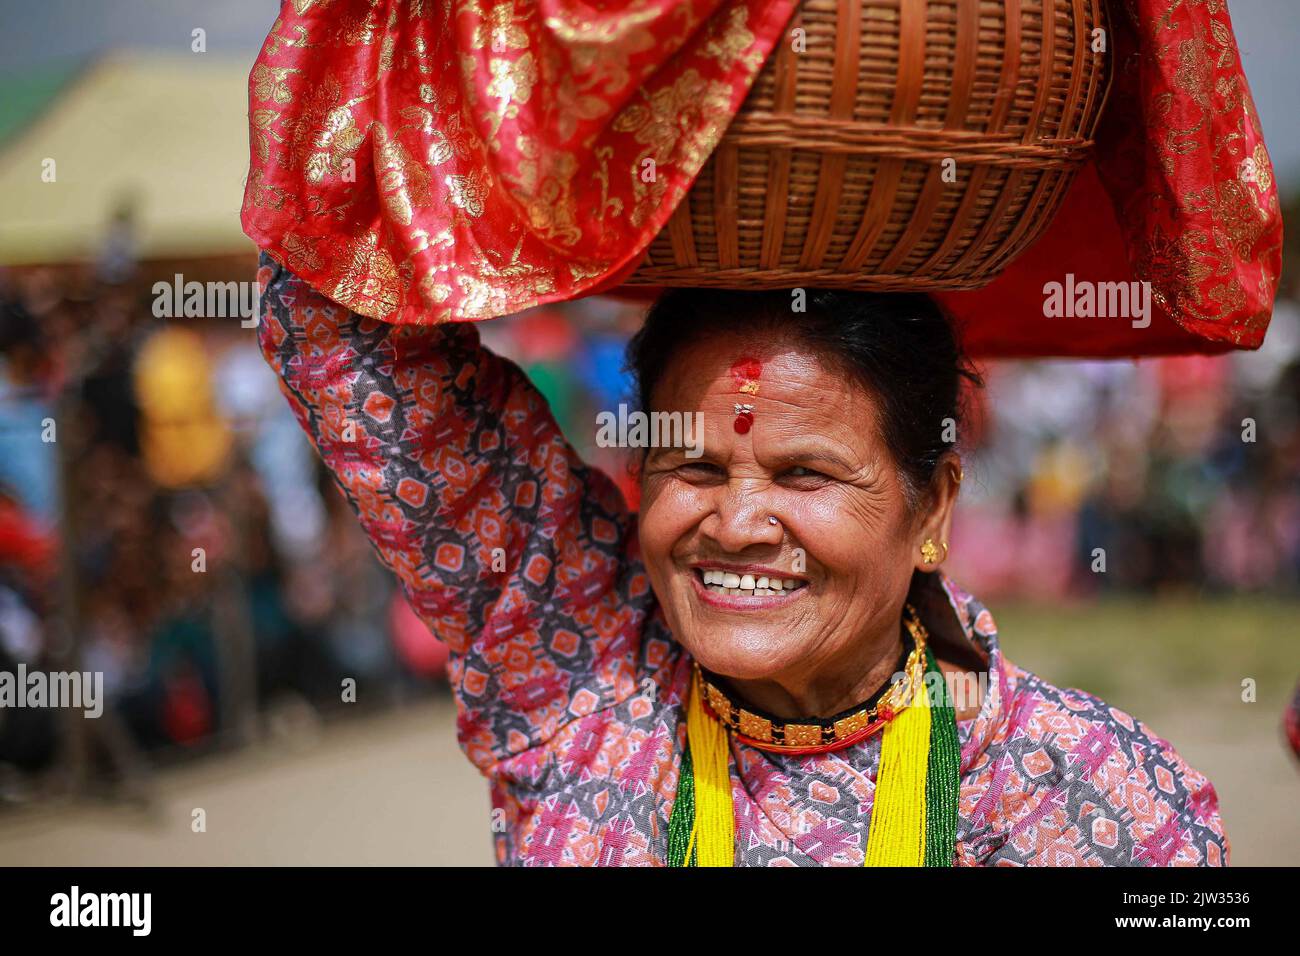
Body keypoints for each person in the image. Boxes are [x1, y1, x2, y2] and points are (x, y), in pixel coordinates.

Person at [255, 254, 1227, 866]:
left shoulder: (1092, 796)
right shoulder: (575, 670)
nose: (737, 521)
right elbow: (329, 306)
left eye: (805, 473)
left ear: (931, 504)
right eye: (694, 465)